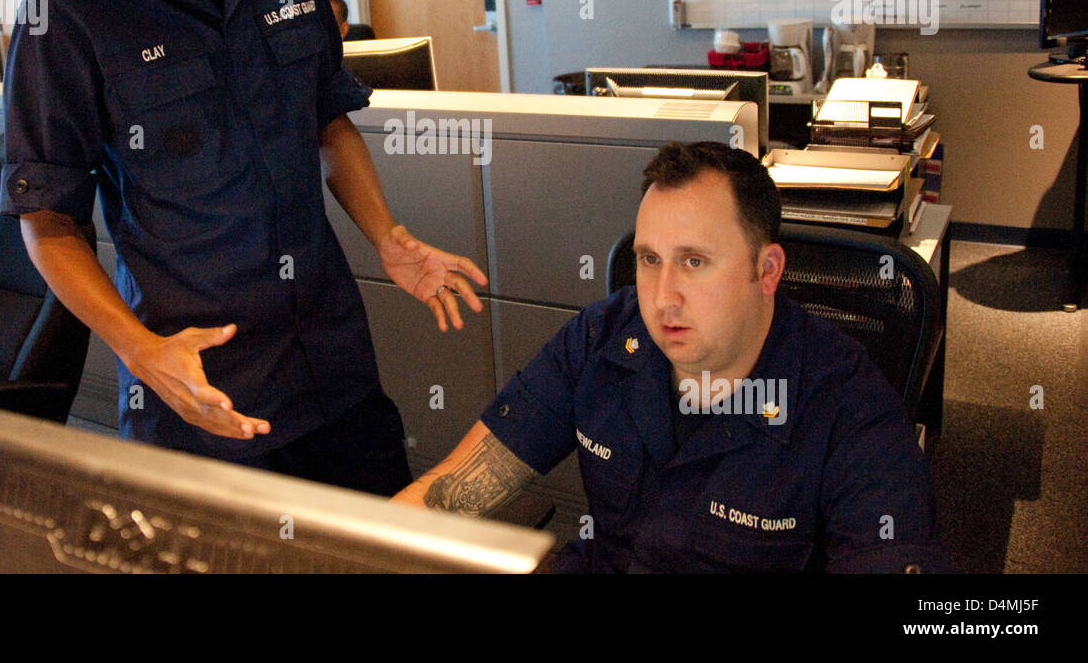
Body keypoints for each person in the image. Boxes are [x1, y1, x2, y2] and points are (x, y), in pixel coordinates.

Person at [0, 0, 486, 496]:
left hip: (330, 357)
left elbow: (327, 120)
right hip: (197, 378)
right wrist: (135, 350)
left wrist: (387, 235)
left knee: (381, 545)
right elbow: (47, 222)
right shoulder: (64, 14)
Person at [394, 142, 949, 572]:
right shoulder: (601, 339)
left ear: (768, 270)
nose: (662, 298)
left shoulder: (850, 409)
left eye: (694, 263)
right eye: (650, 259)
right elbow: (449, 492)